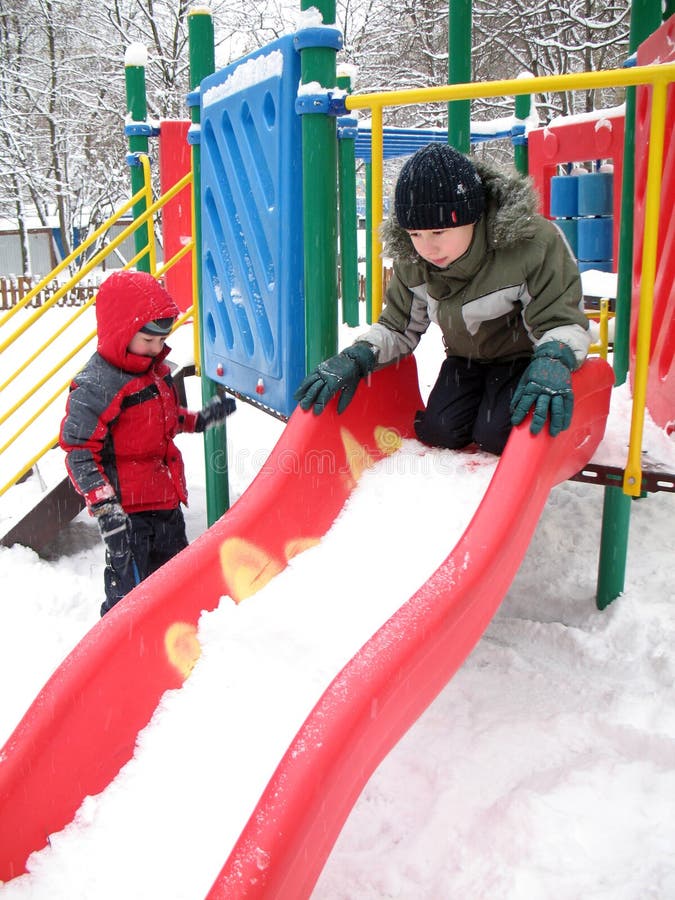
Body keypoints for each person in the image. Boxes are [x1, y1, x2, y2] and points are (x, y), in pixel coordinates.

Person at [295, 142, 590, 454]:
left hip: (526, 361)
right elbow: (398, 327)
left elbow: (561, 319)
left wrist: (555, 356)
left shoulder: (530, 246)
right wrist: (359, 355)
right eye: (415, 234)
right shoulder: (414, 260)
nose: (427, 248)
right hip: (466, 361)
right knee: (440, 431)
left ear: (473, 217)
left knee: (497, 434)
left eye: (438, 232)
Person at [60, 269, 236, 616]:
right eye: (148, 341)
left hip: (165, 503)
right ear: (120, 331)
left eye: (161, 341)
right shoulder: (97, 385)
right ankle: (121, 648)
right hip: (127, 515)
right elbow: (79, 450)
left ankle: (173, 633)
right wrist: (104, 505)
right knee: (129, 593)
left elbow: (165, 420)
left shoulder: (154, 372)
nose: (157, 349)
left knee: (174, 580)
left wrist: (201, 419)